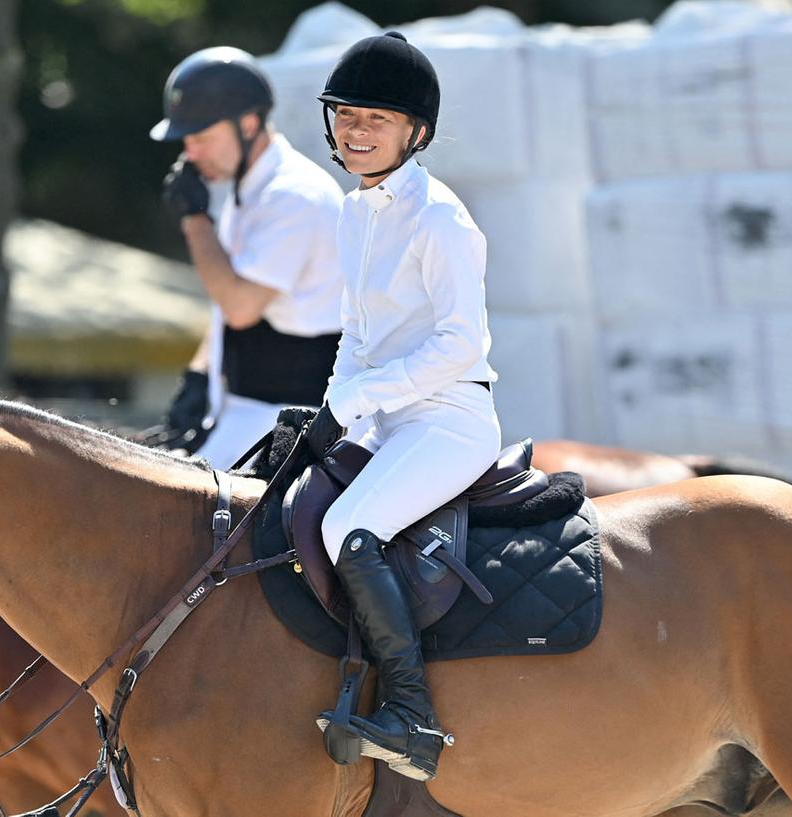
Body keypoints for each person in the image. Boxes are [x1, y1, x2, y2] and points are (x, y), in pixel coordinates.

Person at [306, 32, 502, 781]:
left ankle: (413, 715)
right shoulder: (355, 213)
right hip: (386, 419)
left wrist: (359, 398)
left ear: (414, 132)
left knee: (347, 525)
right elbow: (358, 335)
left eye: (374, 120)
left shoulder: (442, 220)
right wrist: (329, 409)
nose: (354, 132)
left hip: (449, 421)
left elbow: (461, 343)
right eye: (345, 115)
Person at [150, 46, 345, 468]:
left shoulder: (294, 196)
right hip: (245, 409)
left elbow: (240, 307)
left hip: (294, 423)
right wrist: (197, 378)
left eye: (202, 136)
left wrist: (194, 220)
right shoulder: (252, 190)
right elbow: (227, 305)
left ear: (249, 124)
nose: (190, 152)